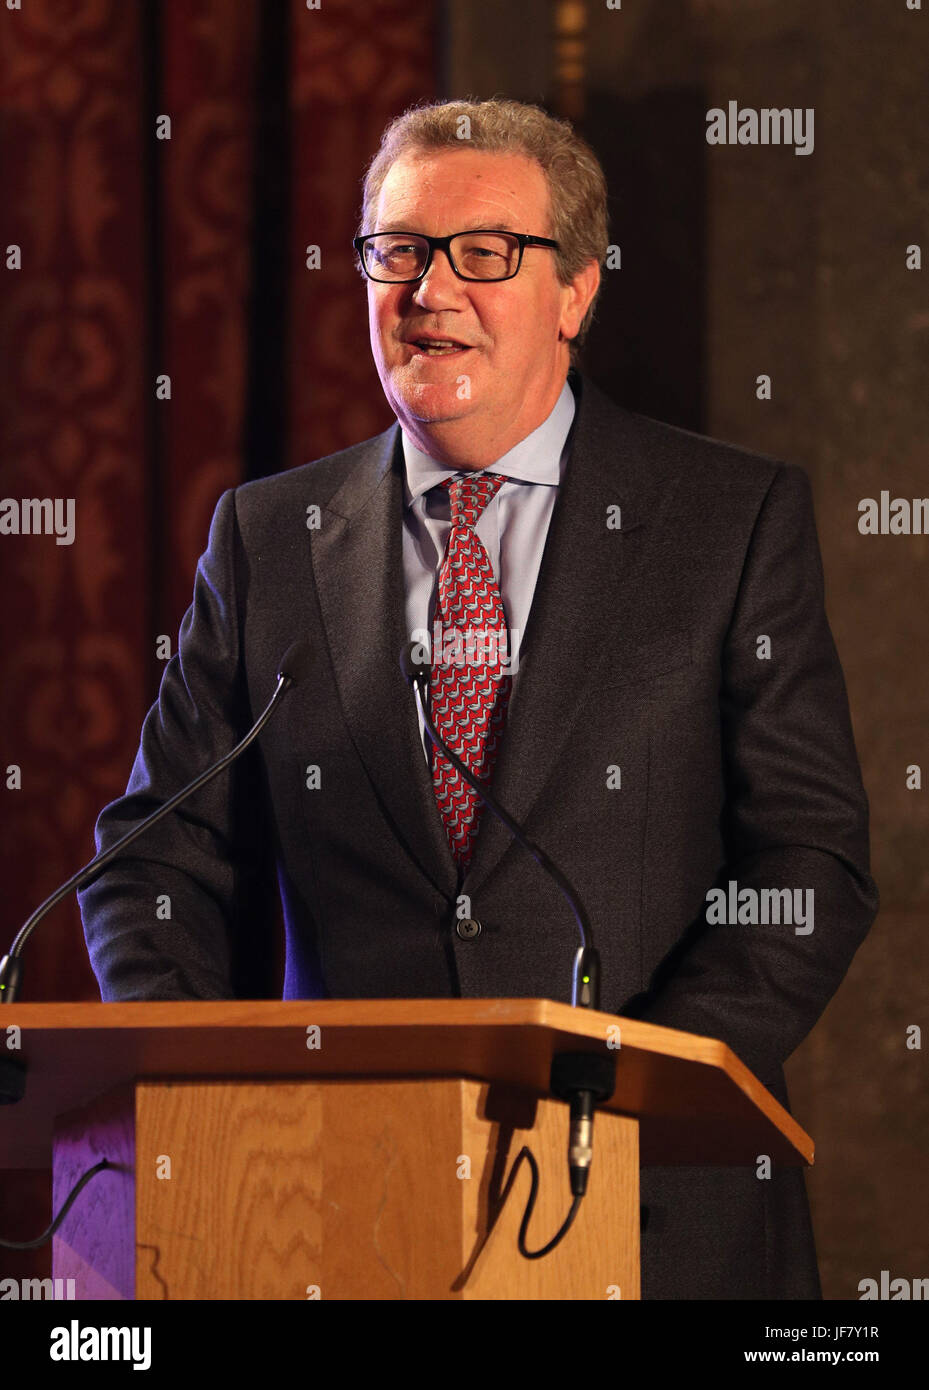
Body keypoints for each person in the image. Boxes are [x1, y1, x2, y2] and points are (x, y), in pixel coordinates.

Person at [79, 98, 878, 1300]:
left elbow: (809, 862)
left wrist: (633, 1085)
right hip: (330, 1213)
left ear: (575, 291)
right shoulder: (267, 537)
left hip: (656, 1219)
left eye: (483, 253)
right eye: (396, 251)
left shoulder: (724, 521)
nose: (429, 291)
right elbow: (150, 860)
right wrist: (213, 1083)